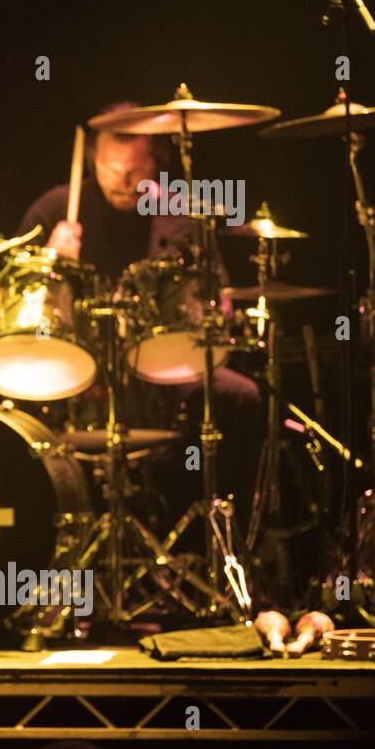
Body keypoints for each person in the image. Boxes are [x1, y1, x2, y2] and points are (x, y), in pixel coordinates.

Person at [16, 103, 262, 535]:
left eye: (133, 172)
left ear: (159, 162)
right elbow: (17, 301)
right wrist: (48, 262)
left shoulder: (181, 211)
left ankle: (218, 539)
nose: (120, 181)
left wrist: (216, 314)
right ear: (92, 156)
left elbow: (216, 300)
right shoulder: (57, 208)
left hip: (161, 367)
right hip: (76, 369)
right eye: (109, 168)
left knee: (241, 396)